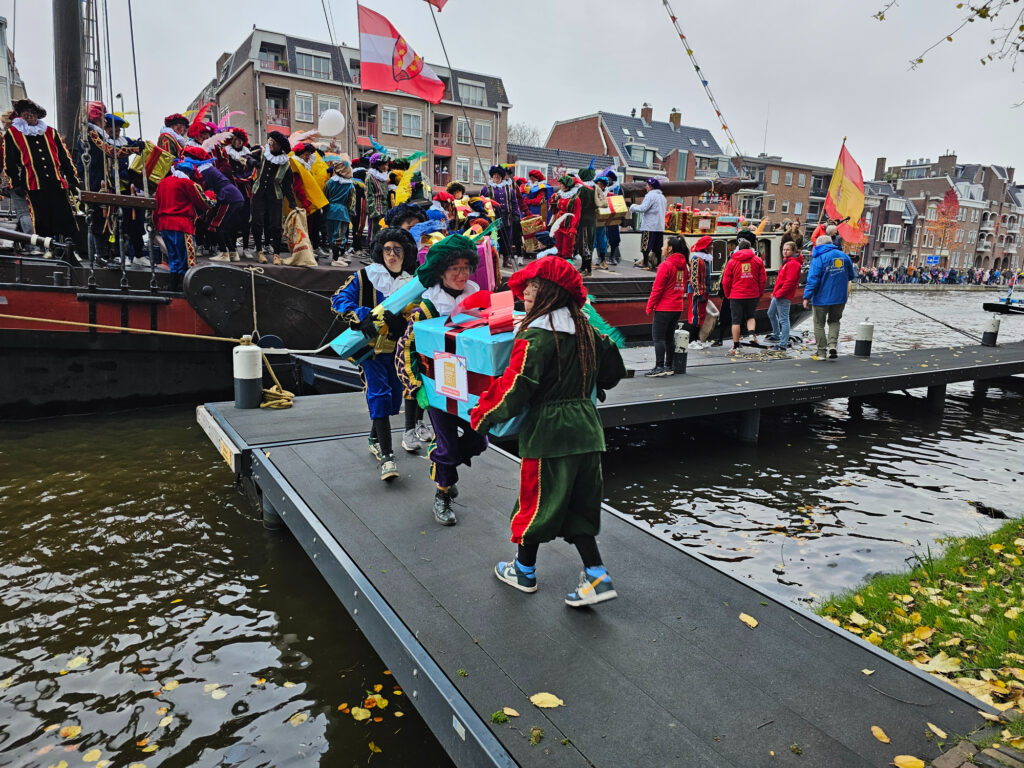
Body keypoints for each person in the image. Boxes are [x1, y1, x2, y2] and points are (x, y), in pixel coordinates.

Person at [469, 256, 627, 607]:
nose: (525, 290)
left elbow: (515, 387)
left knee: (534, 502)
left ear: (551, 293)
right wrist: (590, 383)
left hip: (551, 432)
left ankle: (523, 572)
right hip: (587, 429)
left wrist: (481, 415)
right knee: (576, 506)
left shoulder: (538, 335)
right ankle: (597, 577)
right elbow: (614, 369)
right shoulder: (587, 329)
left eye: (535, 286)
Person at [395, 235, 486, 526]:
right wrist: (416, 388)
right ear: (441, 272)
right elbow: (405, 348)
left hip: (469, 392)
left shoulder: (477, 301)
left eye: (465, 268)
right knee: (447, 447)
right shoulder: (427, 309)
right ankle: (443, 493)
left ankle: (441, 466)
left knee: (480, 440)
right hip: (438, 391)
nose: (461, 275)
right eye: (454, 269)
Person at [331, 227, 419, 481]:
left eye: (397, 250)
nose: (391, 254)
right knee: (379, 394)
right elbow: (338, 299)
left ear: (406, 253)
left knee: (392, 399)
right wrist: (361, 315)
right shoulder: (365, 276)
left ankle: (374, 438)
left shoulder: (411, 283)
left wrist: (403, 325)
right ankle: (388, 457)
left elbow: (418, 314)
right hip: (370, 351)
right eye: (387, 249)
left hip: (398, 350)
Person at [2, 98, 80, 244]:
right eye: (25, 113)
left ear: (37, 115)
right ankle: (45, 248)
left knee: (65, 218)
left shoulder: (51, 132)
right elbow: (9, 162)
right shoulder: (13, 133)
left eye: (32, 113)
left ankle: (70, 248)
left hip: (56, 183)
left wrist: (72, 178)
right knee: (41, 220)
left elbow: (65, 157)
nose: (29, 116)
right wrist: (16, 182)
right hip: (33, 184)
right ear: (20, 116)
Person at [154, 161, 213, 290]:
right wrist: (211, 194)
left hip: (164, 224)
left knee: (173, 255)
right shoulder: (186, 183)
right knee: (187, 258)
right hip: (181, 224)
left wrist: (156, 223)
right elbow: (204, 202)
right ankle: (187, 286)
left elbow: (156, 205)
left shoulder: (163, 183)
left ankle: (173, 285)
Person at [803, 234, 856, 360]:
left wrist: (807, 297)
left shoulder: (818, 257)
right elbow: (851, 276)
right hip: (840, 297)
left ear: (819, 245)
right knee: (834, 321)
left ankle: (821, 352)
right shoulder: (844, 256)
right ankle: (832, 345)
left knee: (819, 324)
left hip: (822, 297)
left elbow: (813, 279)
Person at [644, 235, 690, 376]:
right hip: (677, 306)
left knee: (658, 338)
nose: (661, 248)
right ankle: (669, 366)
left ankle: (659, 367)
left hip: (664, 307)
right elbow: (684, 285)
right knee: (669, 337)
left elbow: (657, 288)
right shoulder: (684, 266)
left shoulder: (666, 265)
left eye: (664, 245)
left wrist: (650, 306)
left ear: (670, 249)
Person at [249, 131, 296, 262]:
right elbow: (245, 157)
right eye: (270, 142)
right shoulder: (262, 152)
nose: (270, 145)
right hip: (259, 193)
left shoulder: (285, 163)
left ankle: (276, 254)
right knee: (257, 222)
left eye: (273, 143)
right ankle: (259, 251)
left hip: (275, 196)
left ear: (280, 146)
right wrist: (253, 162)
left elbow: (287, 186)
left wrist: (292, 202)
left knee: (275, 225)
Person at [721, 230, 766, 355]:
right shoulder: (757, 261)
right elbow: (763, 279)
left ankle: (735, 346)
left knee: (736, 321)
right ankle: (752, 334)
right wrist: (760, 292)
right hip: (753, 294)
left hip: (736, 295)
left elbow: (726, 281)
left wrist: (727, 294)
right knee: (750, 316)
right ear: (750, 248)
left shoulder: (732, 261)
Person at [480, 164, 523, 269]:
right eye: (494, 176)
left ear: (501, 177)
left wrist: (516, 214)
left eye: (498, 176)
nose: (496, 178)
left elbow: (514, 202)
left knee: (507, 240)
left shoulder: (509, 189)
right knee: (494, 239)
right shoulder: (486, 188)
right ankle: (494, 261)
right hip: (493, 219)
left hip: (507, 218)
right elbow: (481, 202)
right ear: (492, 177)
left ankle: (506, 260)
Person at [767, 240, 803, 350]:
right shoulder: (787, 262)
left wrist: (778, 294)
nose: (785, 252)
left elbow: (789, 282)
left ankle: (782, 344)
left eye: (787, 250)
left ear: (793, 251)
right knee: (771, 313)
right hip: (778, 294)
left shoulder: (793, 264)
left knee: (784, 319)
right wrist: (775, 293)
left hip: (783, 295)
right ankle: (777, 334)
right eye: (784, 249)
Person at [629, 177, 667, 270]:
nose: (646, 187)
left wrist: (633, 207)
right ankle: (657, 264)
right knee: (658, 247)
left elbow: (643, 208)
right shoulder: (662, 197)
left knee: (645, 246)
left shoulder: (650, 195)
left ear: (650, 186)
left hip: (649, 225)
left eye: (647, 185)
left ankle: (645, 263)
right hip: (659, 226)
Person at [325, 156, 355, 266]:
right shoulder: (350, 185)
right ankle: (336, 258)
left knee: (331, 233)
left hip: (329, 211)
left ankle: (335, 256)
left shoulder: (329, 183)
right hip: (342, 212)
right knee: (339, 235)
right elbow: (351, 201)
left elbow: (325, 196)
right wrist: (351, 212)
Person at [548, 175, 581, 260]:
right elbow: (554, 210)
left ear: (567, 186)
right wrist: (552, 202)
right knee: (557, 248)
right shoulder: (559, 195)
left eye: (562, 184)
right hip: (558, 225)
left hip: (568, 226)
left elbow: (576, 214)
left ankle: (567, 268)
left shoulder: (575, 198)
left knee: (567, 249)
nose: (560, 185)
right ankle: (558, 269)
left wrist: (573, 228)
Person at [687, 234, 712, 342]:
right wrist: (698, 292)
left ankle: (697, 339)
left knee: (701, 315)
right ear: (706, 247)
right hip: (697, 292)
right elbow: (694, 278)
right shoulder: (697, 259)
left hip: (703, 291)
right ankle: (692, 341)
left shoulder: (705, 260)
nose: (712, 247)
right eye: (711, 245)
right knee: (695, 315)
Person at [575, 166, 598, 275]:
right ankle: (584, 266)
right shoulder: (594, 188)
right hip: (592, 219)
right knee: (588, 242)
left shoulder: (583, 189)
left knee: (584, 243)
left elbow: (578, 205)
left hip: (584, 219)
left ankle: (587, 269)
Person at [365, 152, 391, 242]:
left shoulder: (384, 178)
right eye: (384, 165)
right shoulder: (370, 177)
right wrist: (373, 212)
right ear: (377, 165)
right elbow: (369, 195)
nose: (386, 167)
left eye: (387, 165)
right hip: (376, 211)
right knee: (374, 234)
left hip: (385, 211)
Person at [593, 175, 610, 269]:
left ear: (603, 186)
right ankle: (590, 261)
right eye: (597, 183)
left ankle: (602, 260)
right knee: (592, 240)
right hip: (593, 220)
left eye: (600, 184)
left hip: (602, 222)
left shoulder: (607, 195)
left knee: (602, 241)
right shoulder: (593, 193)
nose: (598, 185)